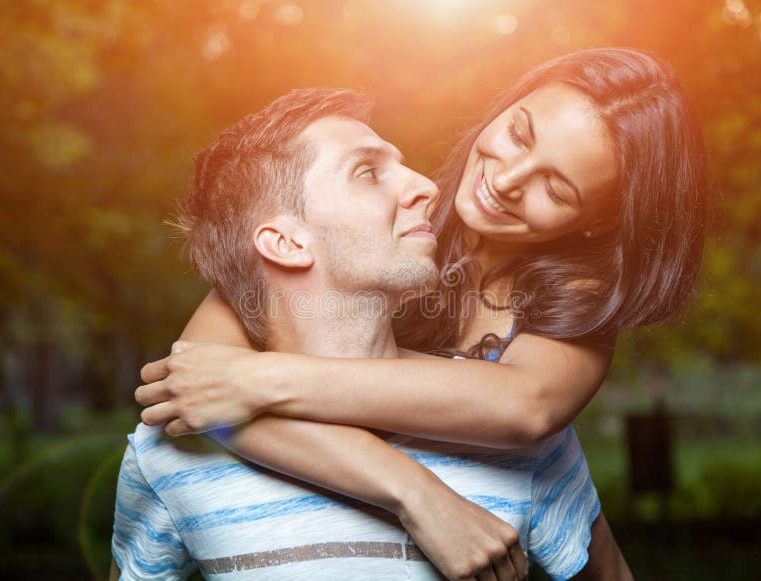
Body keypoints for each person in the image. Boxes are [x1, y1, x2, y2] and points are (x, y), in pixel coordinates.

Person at [139, 46, 706, 578]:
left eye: (555, 188)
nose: (505, 179)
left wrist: (260, 380)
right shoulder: (386, 220)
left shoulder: (572, 303)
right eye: (517, 132)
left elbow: (526, 409)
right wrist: (420, 496)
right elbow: (199, 384)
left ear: (599, 221)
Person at [112, 87, 539, 580]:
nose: (427, 185)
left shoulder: (510, 437)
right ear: (286, 242)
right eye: (367, 172)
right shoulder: (168, 453)